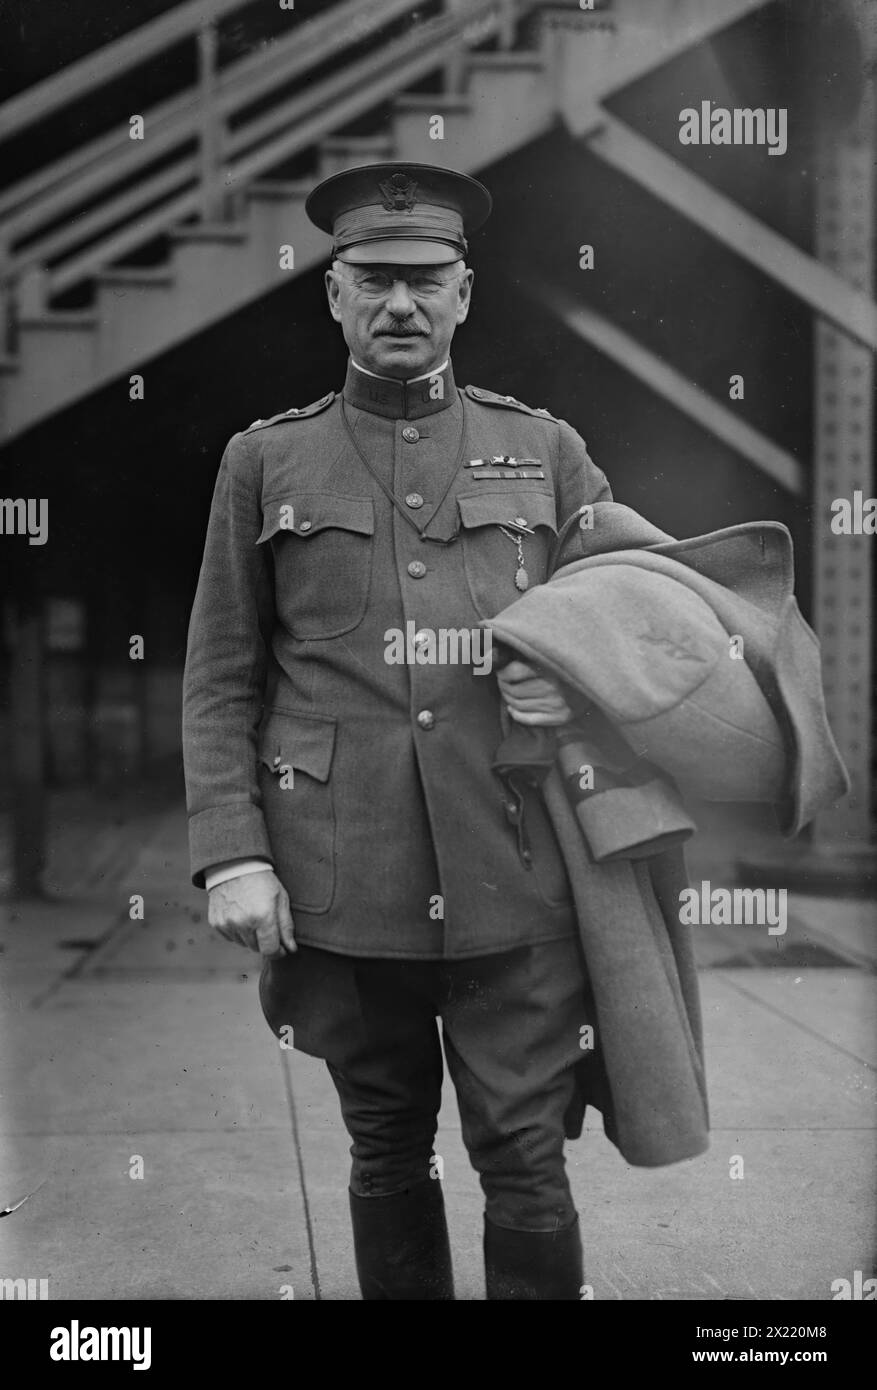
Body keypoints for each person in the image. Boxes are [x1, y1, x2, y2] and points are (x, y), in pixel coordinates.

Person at [182, 161, 614, 1300]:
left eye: (426, 281)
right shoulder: (264, 460)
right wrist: (233, 851)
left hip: (512, 872)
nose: (400, 306)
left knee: (522, 1155)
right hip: (344, 876)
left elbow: (639, 636)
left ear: (465, 293)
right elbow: (220, 674)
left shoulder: (548, 451)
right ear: (333, 293)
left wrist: (574, 690)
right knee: (385, 1148)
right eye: (372, 281)